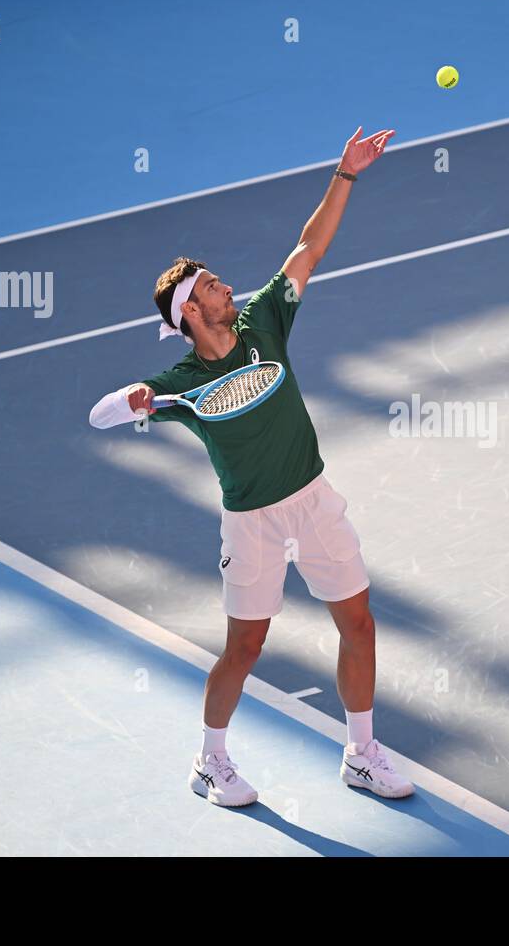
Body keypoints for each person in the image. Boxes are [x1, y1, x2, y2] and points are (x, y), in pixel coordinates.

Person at [88, 127, 413, 806]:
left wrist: (346, 174)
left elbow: (309, 248)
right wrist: (133, 399)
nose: (225, 285)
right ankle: (211, 762)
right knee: (246, 649)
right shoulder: (177, 382)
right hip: (253, 525)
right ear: (191, 313)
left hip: (313, 500)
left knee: (358, 623)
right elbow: (99, 417)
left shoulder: (265, 320)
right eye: (211, 285)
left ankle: (361, 752)